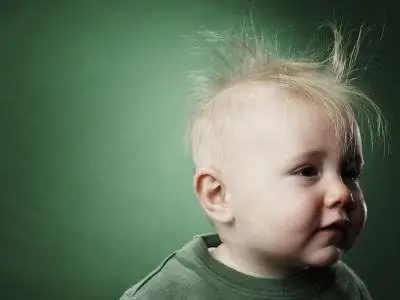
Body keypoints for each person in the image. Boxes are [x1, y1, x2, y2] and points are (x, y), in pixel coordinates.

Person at [120, 22, 386, 300]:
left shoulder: (346, 288)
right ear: (218, 195)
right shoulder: (168, 294)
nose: (343, 193)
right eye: (307, 171)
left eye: (350, 173)